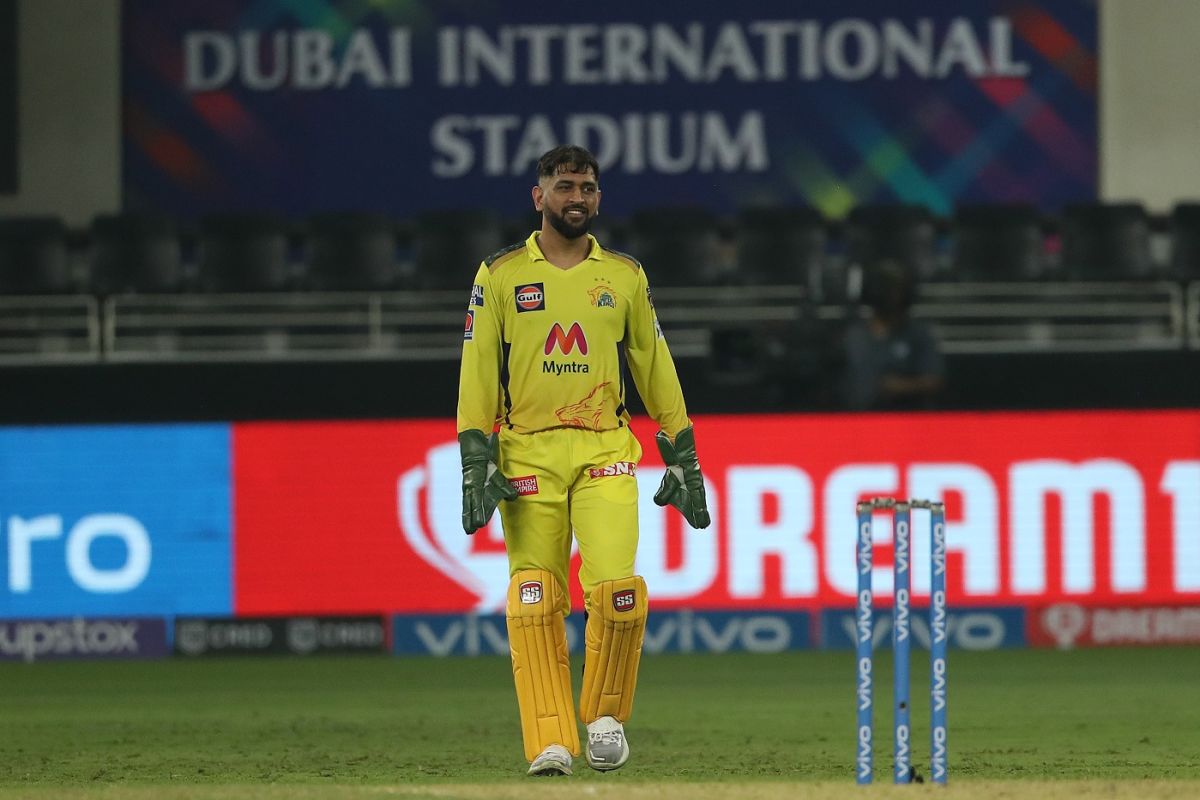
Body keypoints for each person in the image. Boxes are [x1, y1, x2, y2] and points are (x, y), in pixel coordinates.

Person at [457, 145, 711, 777]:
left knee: (619, 591)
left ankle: (602, 719)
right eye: (565, 186)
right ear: (538, 195)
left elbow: (655, 365)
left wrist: (682, 452)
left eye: (589, 188)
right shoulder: (502, 273)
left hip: (605, 448)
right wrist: (474, 455)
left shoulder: (623, 275)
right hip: (527, 454)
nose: (578, 198)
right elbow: (478, 370)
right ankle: (549, 739)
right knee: (535, 596)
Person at [843, 258, 945, 410]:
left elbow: (934, 380)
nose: (886, 294)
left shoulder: (919, 334)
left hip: (908, 418)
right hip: (858, 421)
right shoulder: (854, 336)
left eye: (892, 288)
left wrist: (901, 387)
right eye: (882, 287)